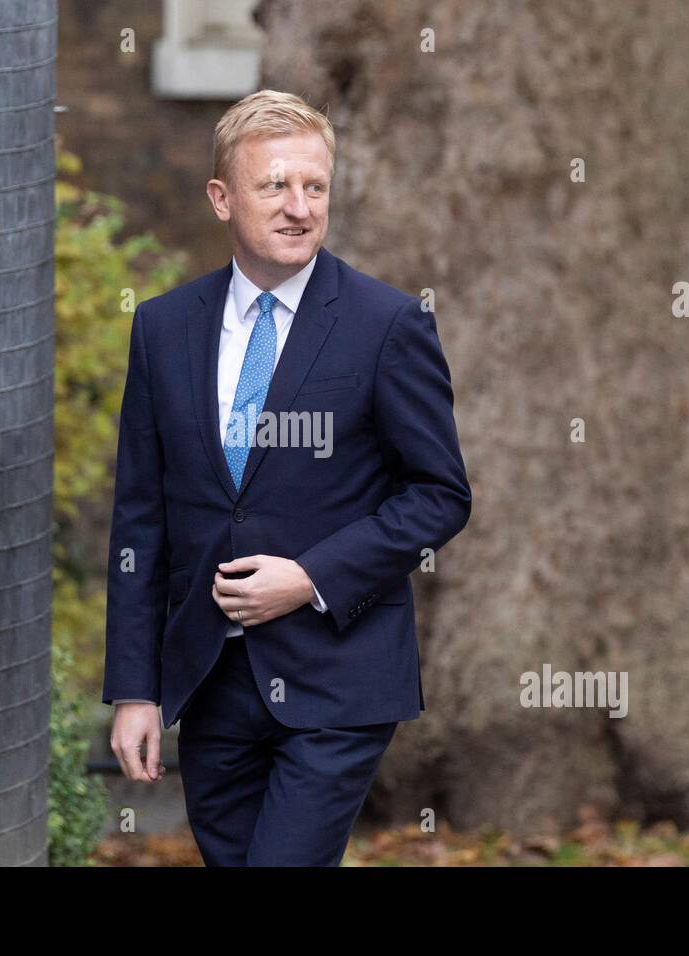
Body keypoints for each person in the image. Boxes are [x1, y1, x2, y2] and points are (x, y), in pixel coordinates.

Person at [102, 89, 471, 866]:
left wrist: (309, 577)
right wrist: (137, 690)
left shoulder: (386, 326)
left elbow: (439, 494)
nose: (298, 207)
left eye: (315, 186)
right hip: (211, 681)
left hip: (337, 676)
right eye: (274, 186)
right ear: (222, 197)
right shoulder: (164, 329)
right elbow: (141, 522)